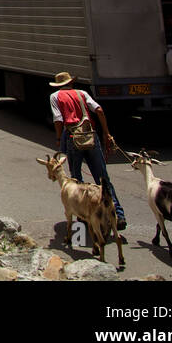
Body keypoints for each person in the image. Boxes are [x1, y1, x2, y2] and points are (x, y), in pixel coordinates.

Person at [49, 71, 125, 229]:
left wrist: (58, 138)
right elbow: (99, 110)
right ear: (71, 83)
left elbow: (58, 119)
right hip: (91, 136)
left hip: (72, 137)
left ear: (58, 85)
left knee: (76, 179)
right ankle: (117, 214)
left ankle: (83, 216)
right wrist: (106, 133)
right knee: (103, 177)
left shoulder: (55, 96)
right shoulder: (82, 93)